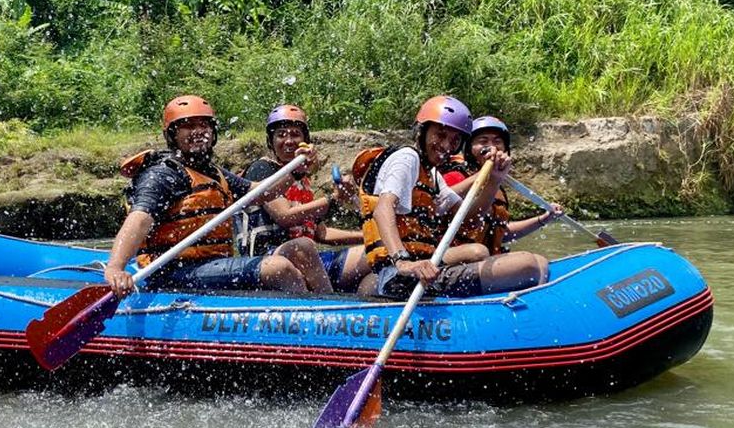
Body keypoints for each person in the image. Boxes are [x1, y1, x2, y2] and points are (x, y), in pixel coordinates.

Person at [103, 95, 312, 299]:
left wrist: (295, 172)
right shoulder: (163, 174)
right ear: (173, 134)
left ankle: (323, 304)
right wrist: (115, 267)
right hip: (172, 271)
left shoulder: (213, 172)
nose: (198, 131)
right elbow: (139, 220)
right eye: (188, 126)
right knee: (278, 267)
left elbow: (259, 193)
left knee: (300, 247)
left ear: (213, 133)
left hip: (211, 265)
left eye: (204, 125)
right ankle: (307, 315)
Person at [353, 95, 549, 299]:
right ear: (422, 132)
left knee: (537, 262)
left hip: (424, 268)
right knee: (528, 265)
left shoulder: (434, 176)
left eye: (455, 141)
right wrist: (403, 262)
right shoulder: (407, 158)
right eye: (440, 135)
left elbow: (469, 221)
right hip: (398, 277)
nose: (446, 145)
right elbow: (383, 209)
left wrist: (494, 180)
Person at [240, 104, 371, 294]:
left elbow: (321, 234)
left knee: (373, 254)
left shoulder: (302, 179)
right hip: (268, 260)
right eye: (281, 135)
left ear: (305, 141)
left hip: (308, 259)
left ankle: (369, 305)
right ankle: (328, 303)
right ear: (271, 141)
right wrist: (334, 199)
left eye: (295, 134)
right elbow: (285, 216)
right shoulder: (262, 169)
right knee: (302, 246)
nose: (288, 140)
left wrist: (369, 236)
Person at [441, 115, 564, 255]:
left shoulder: (498, 186)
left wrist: (543, 219)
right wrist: (483, 175)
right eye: (483, 141)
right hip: (456, 256)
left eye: (497, 141)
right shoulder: (455, 176)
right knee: (526, 260)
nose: (491, 146)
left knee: (536, 260)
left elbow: (500, 232)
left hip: (486, 258)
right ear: (469, 148)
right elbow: (439, 201)